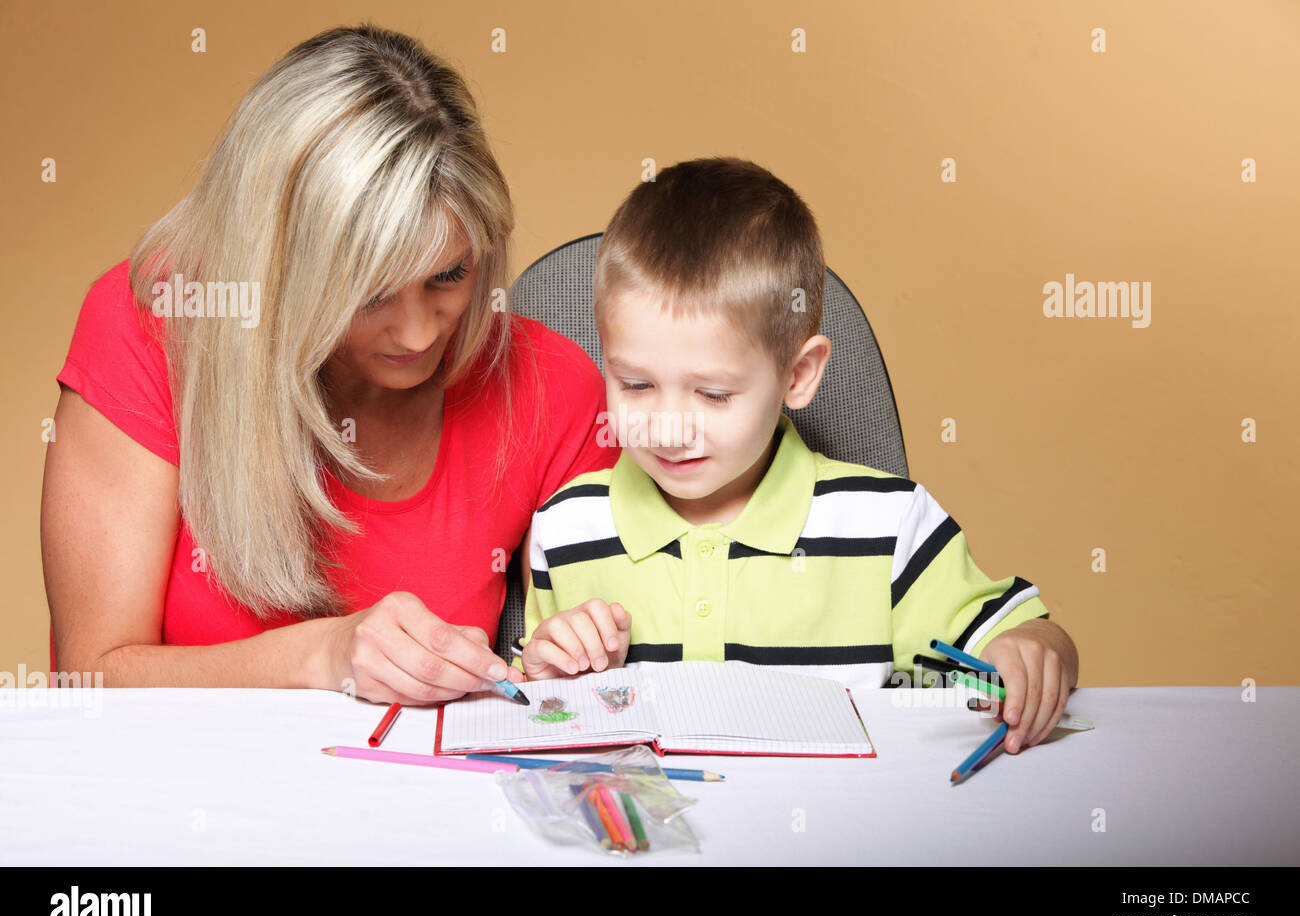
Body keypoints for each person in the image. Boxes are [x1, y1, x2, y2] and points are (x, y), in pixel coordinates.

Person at [41, 25, 619, 705]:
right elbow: (90, 675)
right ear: (277, 266)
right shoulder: (147, 327)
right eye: (370, 292)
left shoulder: (551, 385)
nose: (417, 332)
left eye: (449, 274)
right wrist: (322, 654)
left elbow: (584, 663)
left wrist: (570, 661)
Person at [519, 157, 1079, 754]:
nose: (669, 426)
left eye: (712, 394)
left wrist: (1036, 651)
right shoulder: (566, 527)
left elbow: (1021, 635)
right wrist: (552, 682)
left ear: (799, 374)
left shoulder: (887, 525)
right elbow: (540, 710)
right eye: (634, 384)